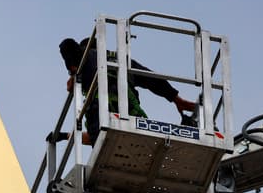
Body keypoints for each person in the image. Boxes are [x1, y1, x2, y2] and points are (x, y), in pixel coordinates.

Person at [59, 37, 199, 145]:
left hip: (103, 117)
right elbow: (151, 79)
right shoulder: (120, 60)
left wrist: (73, 74)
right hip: (132, 119)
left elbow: (66, 46)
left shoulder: (84, 59)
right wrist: (176, 99)